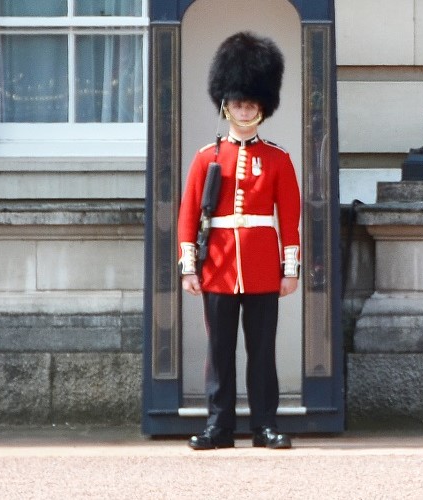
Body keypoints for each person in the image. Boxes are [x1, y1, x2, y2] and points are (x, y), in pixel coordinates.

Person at [179, 32, 301, 452]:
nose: (244, 110)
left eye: (250, 104)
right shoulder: (205, 158)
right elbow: (188, 214)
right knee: (220, 353)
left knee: (262, 353)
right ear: (225, 105)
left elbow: (290, 218)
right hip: (218, 267)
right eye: (237, 103)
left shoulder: (279, 159)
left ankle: (265, 426)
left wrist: (290, 270)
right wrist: (189, 266)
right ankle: (219, 426)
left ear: (261, 107)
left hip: (264, 268)